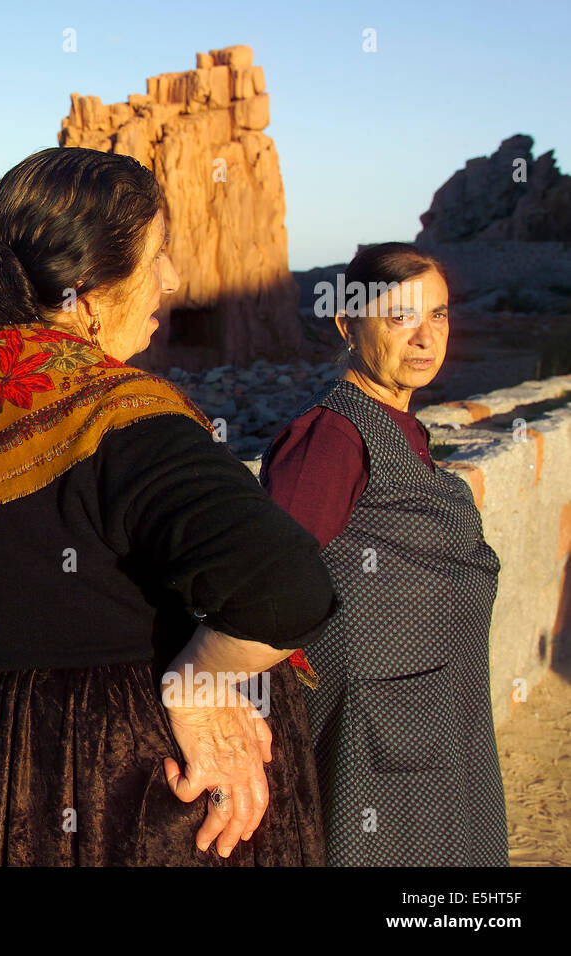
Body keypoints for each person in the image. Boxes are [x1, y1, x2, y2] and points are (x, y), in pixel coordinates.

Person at [0, 146, 338, 866]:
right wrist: (198, 684)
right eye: (157, 254)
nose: (172, 279)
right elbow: (285, 587)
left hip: (2, 768)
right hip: (141, 793)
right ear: (89, 294)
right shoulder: (126, 422)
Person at [260, 242, 507, 866]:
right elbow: (267, 577)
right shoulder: (331, 435)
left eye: (439, 316)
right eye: (399, 317)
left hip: (438, 714)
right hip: (374, 738)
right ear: (348, 324)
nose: (425, 338)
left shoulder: (401, 423)